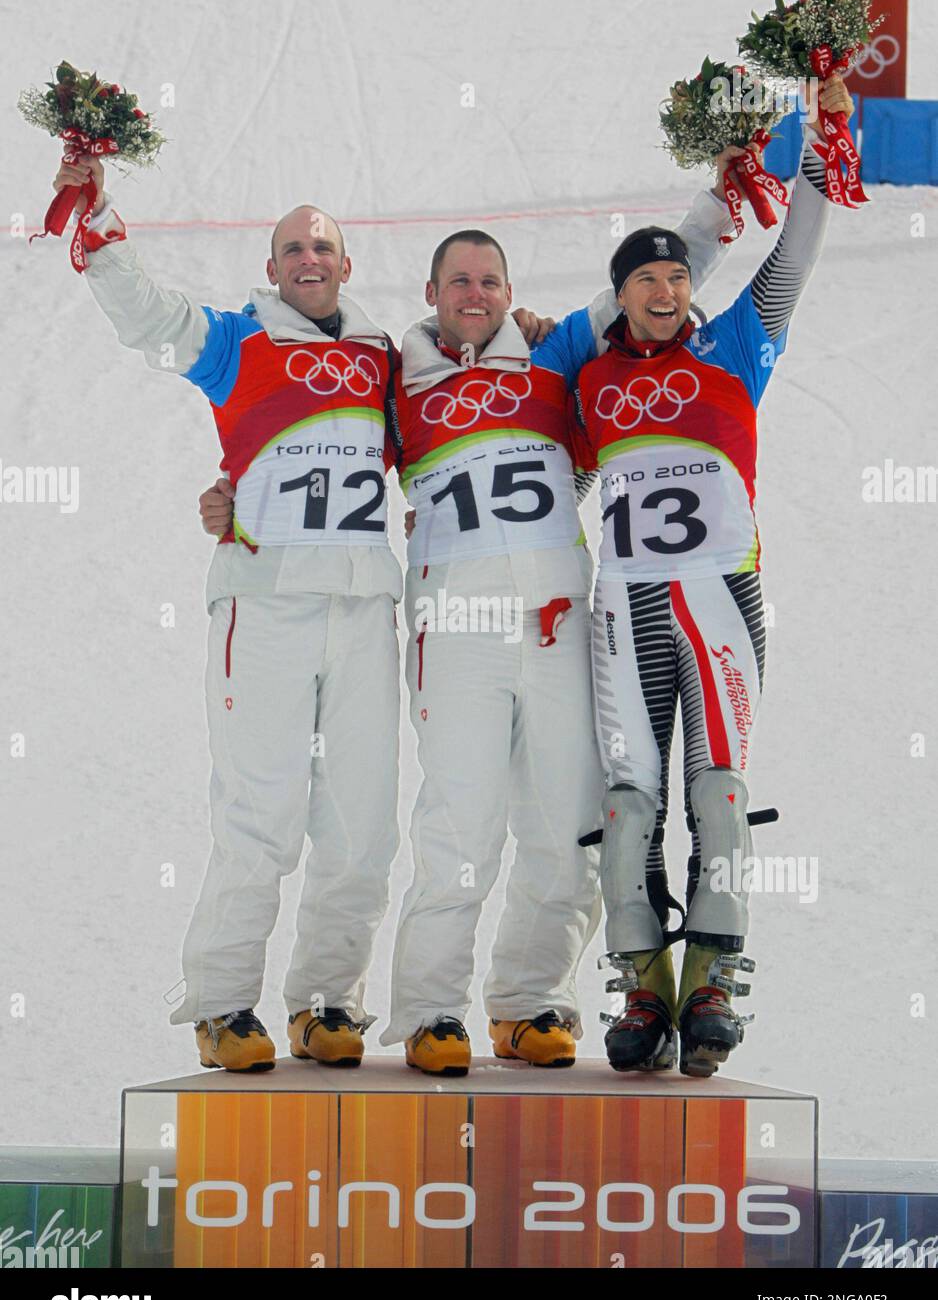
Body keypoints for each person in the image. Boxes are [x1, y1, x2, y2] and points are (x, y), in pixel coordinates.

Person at [378, 154, 748, 1075]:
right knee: (458, 824)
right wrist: (233, 499)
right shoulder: (395, 378)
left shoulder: (554, 355)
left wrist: (722, 187)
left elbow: (655, 277)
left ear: (511, 292)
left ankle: (530, 997)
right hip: (455, 632)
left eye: (491, 279)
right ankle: (430, 1010)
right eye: (459, 279)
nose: (476, 292)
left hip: (557, 627)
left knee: (575, 822)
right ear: (431, 291)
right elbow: (324, 451)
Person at [52, 155, 405, 1072]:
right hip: (268, 604)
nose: (307, 259)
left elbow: (461, 424)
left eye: (321, 245)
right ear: (273, 264)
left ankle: (330, 1000)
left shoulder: (386, 361)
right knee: (261, 816)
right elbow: (151, 321)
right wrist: (101, 224)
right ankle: (220, 1004)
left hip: (366, 607)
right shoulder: (241, 342)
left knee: (364, 825)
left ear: (346, 263)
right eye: (292, 248)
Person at [572, 80, 853, 1076]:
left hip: (721, 599)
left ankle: (714, 981)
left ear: (688, 287)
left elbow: (796, 253)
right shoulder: (589, 379)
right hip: (623, 604)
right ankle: (640, 984)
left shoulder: (736, 346)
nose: (660, 289)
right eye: (641, 279)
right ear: (621, 294)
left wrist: (822, 144)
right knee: (624, 805)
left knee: (720, 794)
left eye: (671, 276)